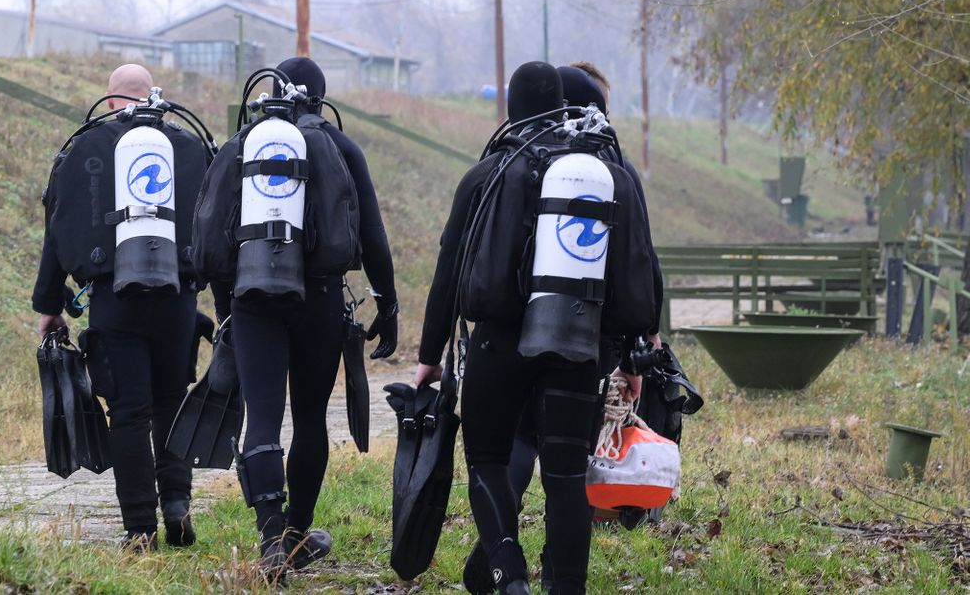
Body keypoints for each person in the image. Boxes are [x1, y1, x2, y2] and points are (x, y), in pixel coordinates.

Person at [414, 61, 658, 595]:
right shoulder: (609, 174)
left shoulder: (489, 174)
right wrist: (633, 353)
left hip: (499, 343)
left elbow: (449, 272)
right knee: (566, 475)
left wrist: (429, 355)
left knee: (487, 457)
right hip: (577, 343)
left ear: (512, 108)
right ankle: (566, 586)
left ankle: (509, 573)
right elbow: (640, 273)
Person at [215, 57, 399, 576]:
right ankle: (297, 533)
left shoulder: (249, 141)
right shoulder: (340, 147)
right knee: (311, 416)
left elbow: (213, 231)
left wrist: (224, 303)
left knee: (264, 415)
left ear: (272, 91)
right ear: (321, 97)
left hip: (253, 298)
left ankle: (271, 539)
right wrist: (388, 301)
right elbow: (374, 235)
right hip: (319, 298)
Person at [32, 63, 210, 551]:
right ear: (154, 97)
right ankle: (177, 506)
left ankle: (138, 529)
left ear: (110, 102)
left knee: (129, 412)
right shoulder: (189, 146)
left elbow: (58, 227)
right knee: (172, 404)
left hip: (115, 301)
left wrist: (50, 305)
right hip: (178, 299)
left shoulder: (86, 148)